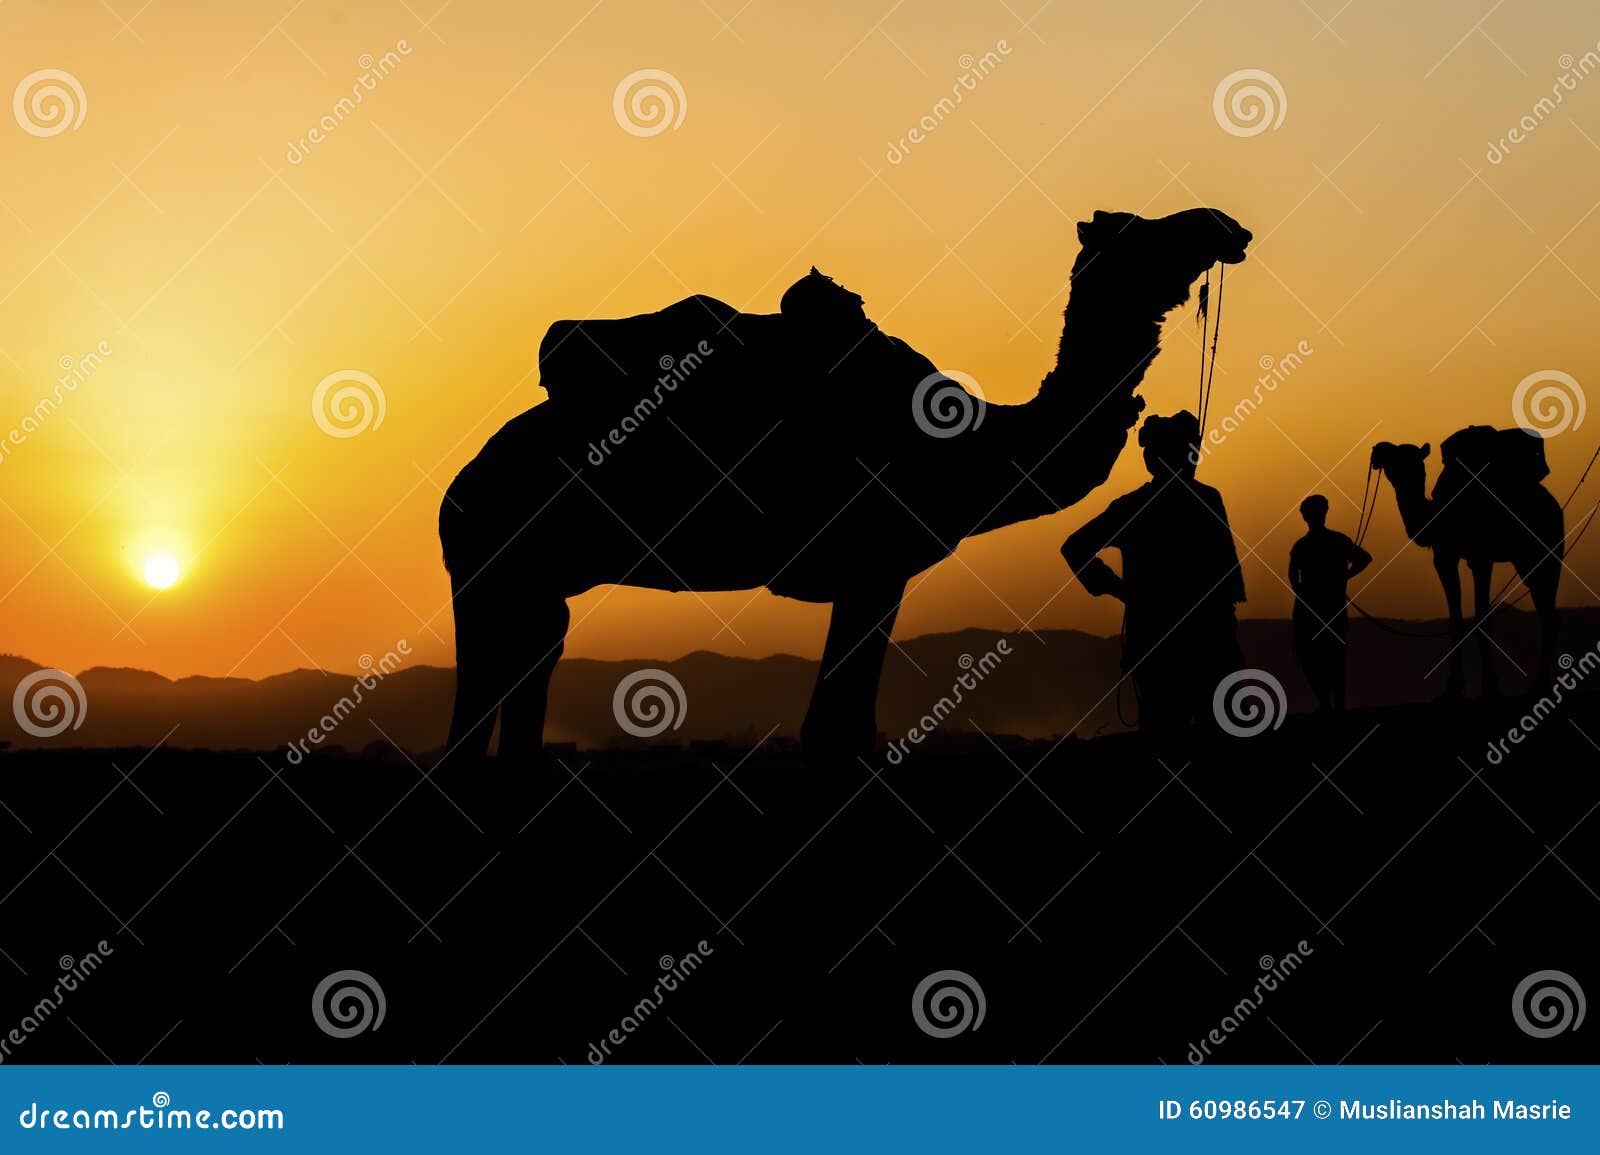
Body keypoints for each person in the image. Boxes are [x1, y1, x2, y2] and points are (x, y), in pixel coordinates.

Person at [1061, 411, 1246, 734]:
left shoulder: (1134, 507)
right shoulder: (1205, 499)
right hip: (1206, 641)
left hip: (1162, 639)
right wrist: (1121, 590)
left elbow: (1075, 548)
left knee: (1166, 736)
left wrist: (1121, 591)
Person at [1288, 494, 1371, 712]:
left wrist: (1343, 578)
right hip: (1325, 606)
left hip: (1315, 607)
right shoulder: (1335, 541)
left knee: (1317, 655)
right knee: (1327, 656)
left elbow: (1293, 577)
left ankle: (1330, 703)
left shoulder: (1304, 545)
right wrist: (1344, 577)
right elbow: (1364, 558)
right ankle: (1331, 703)